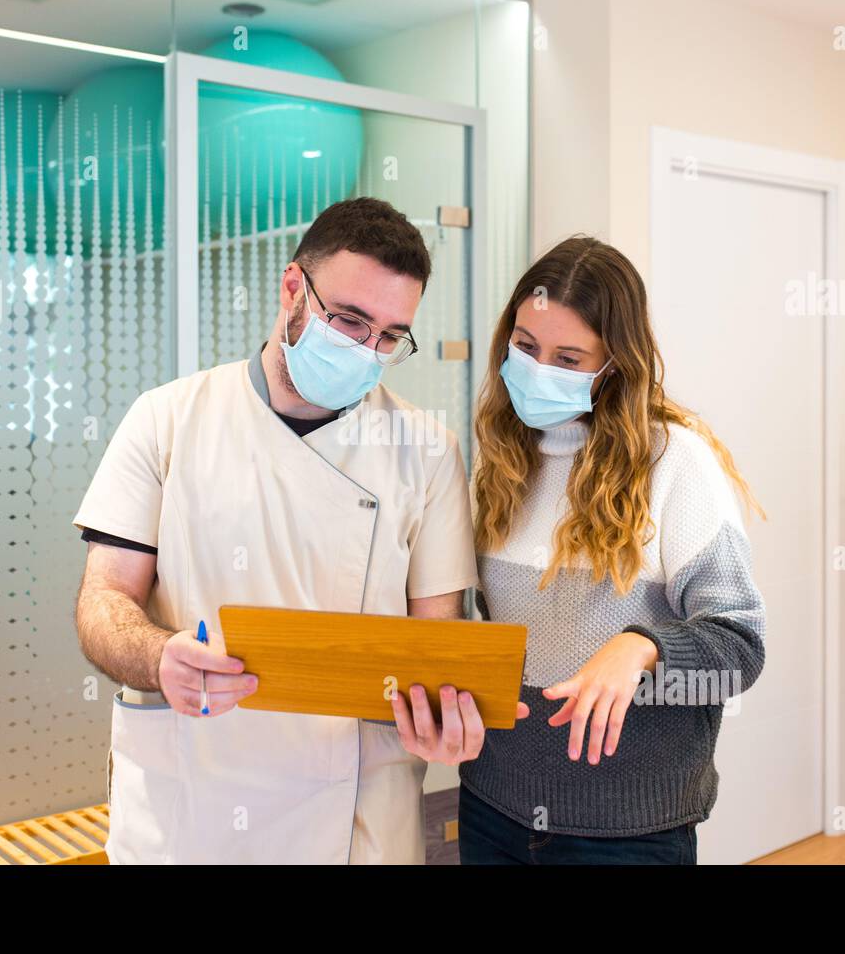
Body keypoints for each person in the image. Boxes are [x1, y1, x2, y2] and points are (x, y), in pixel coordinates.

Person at [72, 197, 519, 865]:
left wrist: (444, 719)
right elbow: (104, 600)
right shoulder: (167, 420)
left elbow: (436, 646)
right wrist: (160, 657)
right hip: (191, 805)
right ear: (292, 289)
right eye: (350, 321)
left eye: (390, 336)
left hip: (353, 816)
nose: (366, 350)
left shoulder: (426, 452)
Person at [458, 235, 768, 865]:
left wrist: (642, 647)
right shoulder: (500, 462)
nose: (538, 369)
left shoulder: (675, 463)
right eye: (525, 346)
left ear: (615, 365)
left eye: (568, 358)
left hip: (626, 831)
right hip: (493, 805)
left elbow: (740, 647)